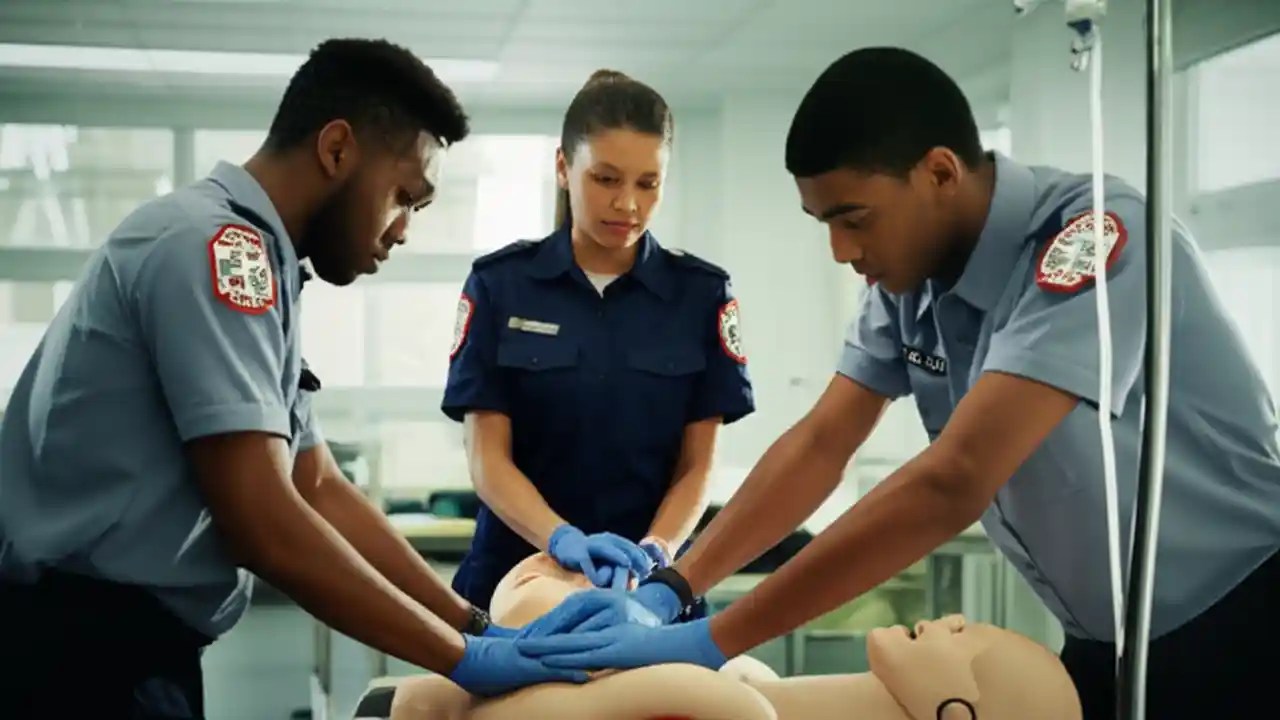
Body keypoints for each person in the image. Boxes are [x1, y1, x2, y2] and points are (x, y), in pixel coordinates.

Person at [516, 47, 1280, 720]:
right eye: (824, 224)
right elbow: (822, 443)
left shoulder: (1095, 240)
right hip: (1101, 639)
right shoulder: (906, 283)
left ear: (939, 172)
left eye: (854, 219)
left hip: (1245, 618)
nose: (843, 250)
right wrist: (675, 588)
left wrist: (713, 638)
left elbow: (956, 481)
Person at [0, 38, 585, 719]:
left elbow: (317, 486)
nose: (401, 232)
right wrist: (463, 658)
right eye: (403, 196)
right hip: (78, 657)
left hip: (122, 650)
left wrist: (474, 623)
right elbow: (266, 524)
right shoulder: (216, 249)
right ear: (337, 149)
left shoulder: (261, 265)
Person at [441, 69, 755, 612]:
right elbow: (487, 456)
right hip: (514, 582)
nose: (628, 205)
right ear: (564, 169)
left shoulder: (701, 295)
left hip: (649, 588)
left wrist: (659, 549)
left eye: (648, 183)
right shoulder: (502, 285)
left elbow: (698, 465)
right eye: (606, 179)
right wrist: (561, 540)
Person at [353, 551, 1081, 720]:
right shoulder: (745, 688)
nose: (954, 619)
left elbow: (517, 655)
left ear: (958, 714)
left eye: (972, 640)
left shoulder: (730, 704)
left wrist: (540, 591)